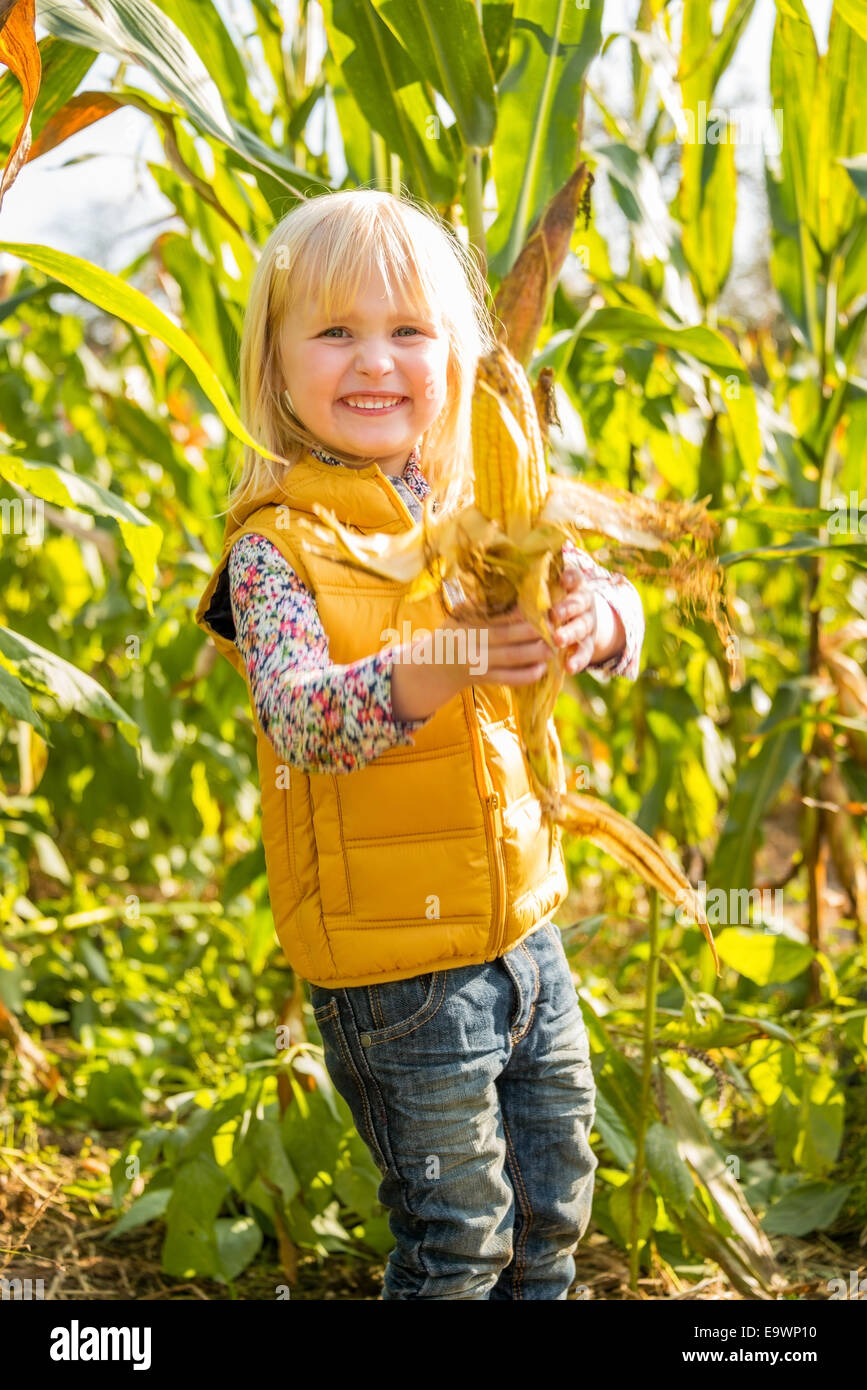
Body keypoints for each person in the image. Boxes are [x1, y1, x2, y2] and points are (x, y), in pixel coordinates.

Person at [195, 188, 645, 1300]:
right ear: (278, 360)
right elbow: (301, 713)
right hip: (395, 972)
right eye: (336, 331)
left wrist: (607, 621)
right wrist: (453, 659)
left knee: (552, 1206)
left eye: (409, 331)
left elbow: (591, 585)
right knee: (459, 1239)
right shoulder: (278, 550)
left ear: (457, 354)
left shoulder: (480, 500)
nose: (375, 361)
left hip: (527, 937)